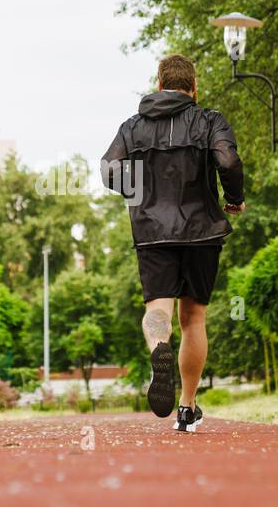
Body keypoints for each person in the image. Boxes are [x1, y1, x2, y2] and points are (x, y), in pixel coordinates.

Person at [101, 53, 245, 433]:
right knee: (193, 318)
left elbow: (108, 169)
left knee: (158, 314)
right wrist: (234, 199)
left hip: (152, 234)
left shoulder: (132, 128)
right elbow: (228, 161)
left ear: (159, 84)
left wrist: (139, 194)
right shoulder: (210, 120)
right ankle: (187, 406)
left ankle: (158, 351)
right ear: (193, 88)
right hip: (202, 232)